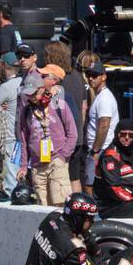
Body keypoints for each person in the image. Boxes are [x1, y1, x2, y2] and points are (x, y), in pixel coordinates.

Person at [17, 72, 77, 206]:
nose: (31, 97)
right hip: (37, 166)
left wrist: (63, 156)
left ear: (42, 88)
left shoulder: (59, 105)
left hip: (57, 162)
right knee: (41, 208)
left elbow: (72, 133)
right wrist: (23, 166)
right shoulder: (26, 111)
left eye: (34, 93)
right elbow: (24, 140)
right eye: (28, 94)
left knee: (60, 204)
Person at [93, 120, 133, 218]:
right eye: (123, 134)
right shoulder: (110, 156)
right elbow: (113, 188)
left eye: (130, 135)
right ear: (117, 134)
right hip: (111, 205)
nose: (127, 138)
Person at [45, 41, 85, 190]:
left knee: (58, 178)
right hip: (78, 134)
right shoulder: (77, 76)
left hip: (60, 137)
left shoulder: (53, 79)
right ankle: (77, 207)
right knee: (74, 177)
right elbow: (84, 106)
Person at [83, 60, 118, 186]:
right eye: (88, 75)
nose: (91, 78)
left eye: (95, 75)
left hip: (102, 150)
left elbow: (104, 125)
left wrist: (95, 151)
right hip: (99, 149)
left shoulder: (105, 98)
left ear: (103, 76)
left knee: (89, 185)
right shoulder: (100, 96)